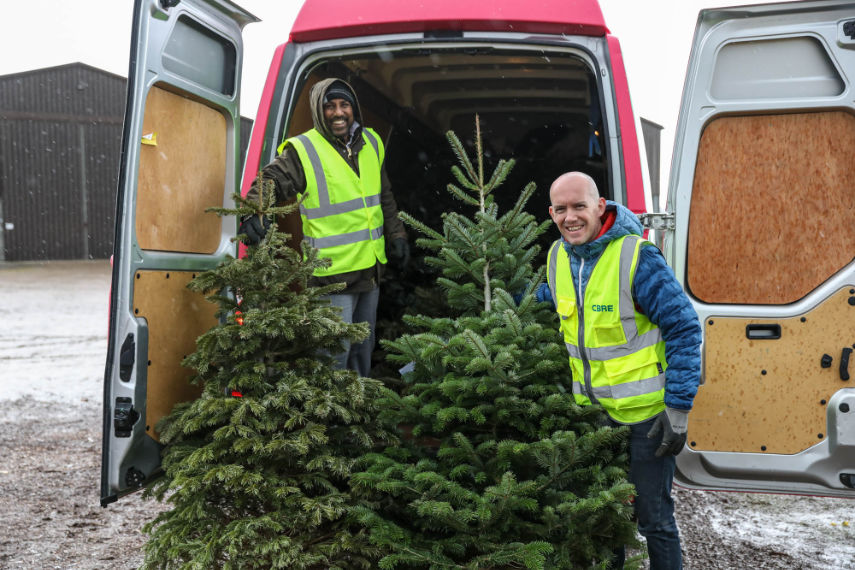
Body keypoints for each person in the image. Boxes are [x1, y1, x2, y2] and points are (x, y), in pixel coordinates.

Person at [538, 171, 701, 569]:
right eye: (561, 209)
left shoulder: (636, 256)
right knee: (604, 517)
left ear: (599, 206)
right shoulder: (558, 258)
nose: (570, 217)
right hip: (593, 418)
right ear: (551, 213)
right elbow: (539, 302)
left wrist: (678, 406)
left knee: (654, 520)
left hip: (648, 418)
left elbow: (684, 326)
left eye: (579, 206)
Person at [240, 78, 409, 378]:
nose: (338, 112)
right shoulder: (304, 149)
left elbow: (384, 195)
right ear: (319, 111)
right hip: (330, 277)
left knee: (362, 349)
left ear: (354, 108)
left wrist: (396, 233)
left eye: (344, 105)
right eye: (329, 106)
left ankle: (357, 414)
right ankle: (329, 421)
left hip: (370, 269)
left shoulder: (371, 142)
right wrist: (256, 209)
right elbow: (271, 179)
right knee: (334, 353)